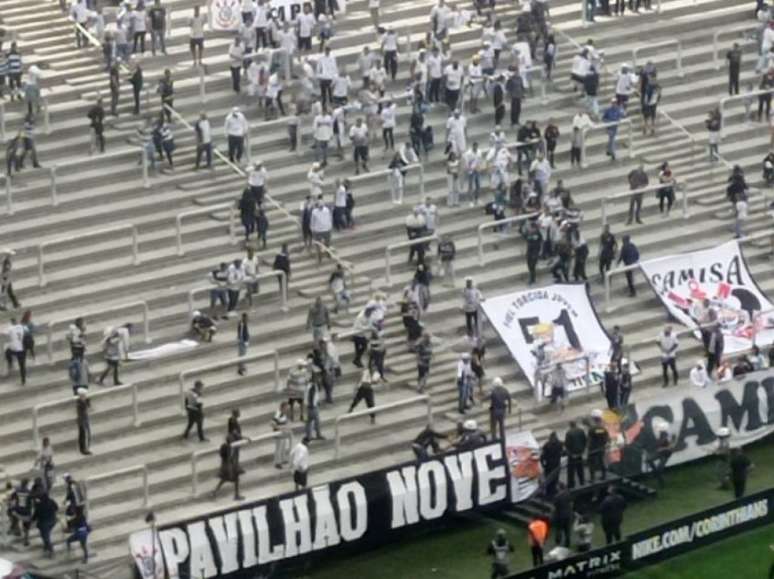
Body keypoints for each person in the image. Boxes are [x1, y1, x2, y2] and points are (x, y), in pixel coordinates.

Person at [212, 434, 244, 501]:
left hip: (223, 466)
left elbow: (221, 455)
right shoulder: (229, 448)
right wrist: (230, 471)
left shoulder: (223, 446)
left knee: (224, 479)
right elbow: (229, 459)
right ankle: (236, 495)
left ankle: (215, 491)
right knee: (236, 479)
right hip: (228, 467)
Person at [33, 491, 58, 558]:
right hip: (53, 521)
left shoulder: (40, 505)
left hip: (44, 523)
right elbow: (56, 508)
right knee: (45, 535)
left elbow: (36, 514)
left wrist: (32, 519)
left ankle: (51, 550)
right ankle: (46, 546)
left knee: (46, 537)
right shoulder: (51, 501)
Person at [564, 421, 587, 489]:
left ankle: (571, 484)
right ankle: (582, 481)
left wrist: (570, 453)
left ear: (570, 425)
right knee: (580, 468)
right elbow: (585, 440)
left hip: (572, 454)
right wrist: (582, 450)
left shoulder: (569, 433)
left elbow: (567, 444)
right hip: (580, 453)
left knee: (571, 470)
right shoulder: (581, 431)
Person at [541, 432, 564, 497]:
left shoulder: (547, 445)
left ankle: (549, 493)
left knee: (548, 479)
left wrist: (543, 464)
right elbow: (562, 452)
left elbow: (542, 456)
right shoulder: (560, 444)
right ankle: (554, 491)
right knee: (555, 478)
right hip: (556, 464)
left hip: (549, 465)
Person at [489, 377, 512, 441]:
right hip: (502, 411)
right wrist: (510, 410)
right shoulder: (505, 390)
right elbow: (509, 400)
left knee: (493, 426)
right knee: (501, 426)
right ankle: (502, 439)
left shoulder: (493, 391)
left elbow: (489, 397)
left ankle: (494, 439)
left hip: (494, 411)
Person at [587, 412, 608, 482]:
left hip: (593, 449)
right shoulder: (602, 428)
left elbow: (590, 438)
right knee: (601, 461)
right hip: (601, 448)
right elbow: (605, 438)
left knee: (591, 463)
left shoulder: (594, 428)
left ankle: (592, 478)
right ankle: (604, 475)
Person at [5, 317, 26, 385]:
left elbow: (5, 333)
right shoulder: (21, 326)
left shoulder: (10, 328)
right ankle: (23, 380)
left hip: (14, 349)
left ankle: (10, 364)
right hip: (22, 349)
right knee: (22, 365)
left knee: (7, 352)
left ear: (11, 322)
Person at [552, 483, 573, 548]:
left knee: (559, 530)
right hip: (568, 515)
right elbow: (571, 503)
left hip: (560, 516)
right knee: (567, 530)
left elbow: (554, 508)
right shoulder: (568, 494)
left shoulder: (557, 497)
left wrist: (553, 515)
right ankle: (568, 543)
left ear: (559, 487)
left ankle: (558, 543)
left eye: (557, 486)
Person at [75, 388, 92, 455]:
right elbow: (84, 408)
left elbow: (88, 407)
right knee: (83, 435)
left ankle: (84, 448)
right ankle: (84, 449)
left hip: (84, 419)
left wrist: (87, 402)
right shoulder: (80, 403)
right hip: (82, 421)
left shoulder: (81, 402)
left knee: (84, 434)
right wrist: (87, 402)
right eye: (84, 396)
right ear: (81, 396)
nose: (85, 397)